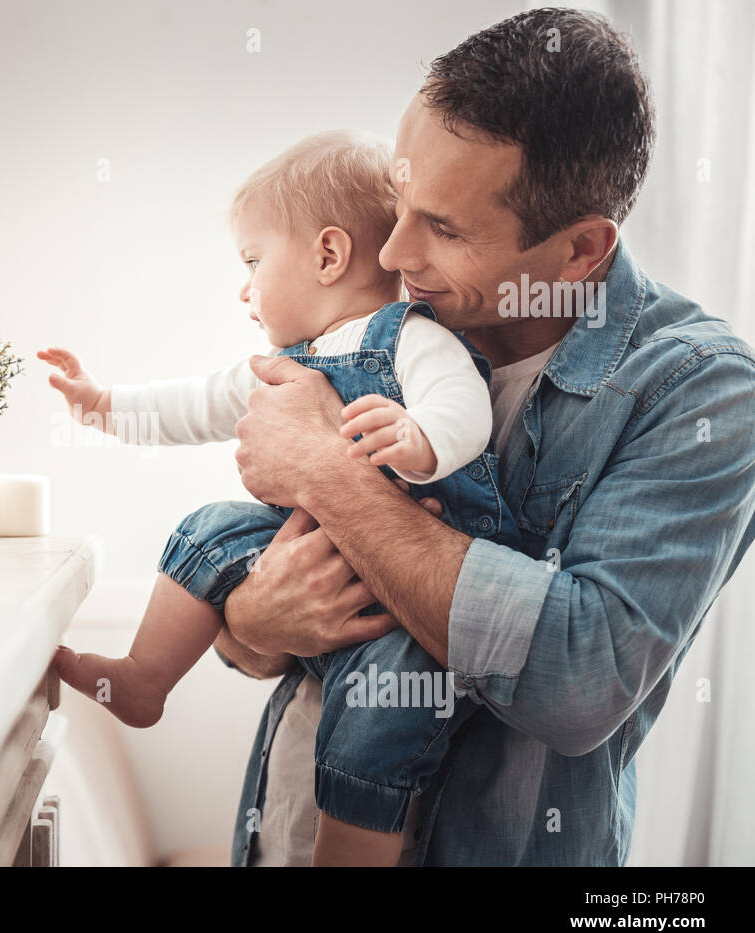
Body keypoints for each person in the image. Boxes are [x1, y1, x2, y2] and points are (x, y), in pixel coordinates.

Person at [218, 7, 755, 866]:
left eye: (446, 229)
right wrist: (250, 618)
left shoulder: (700, 390)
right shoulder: (386, 324)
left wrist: (329, 473)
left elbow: (577, 678)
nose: (391, 252)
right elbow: (246, 624)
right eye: (401, 201)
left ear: (580, 250)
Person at [41, 129, 518, 865]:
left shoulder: (409, 339)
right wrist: (103, 404)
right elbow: (191, 406)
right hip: (309, 550)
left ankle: (348, 852)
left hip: (404, 605)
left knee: (376, 720)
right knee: (207, 529)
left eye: (254, 262)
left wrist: (421, 438)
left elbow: (463, 404)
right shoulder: (275, 365)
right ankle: (144, 679)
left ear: (328, 256)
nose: (244, 288)